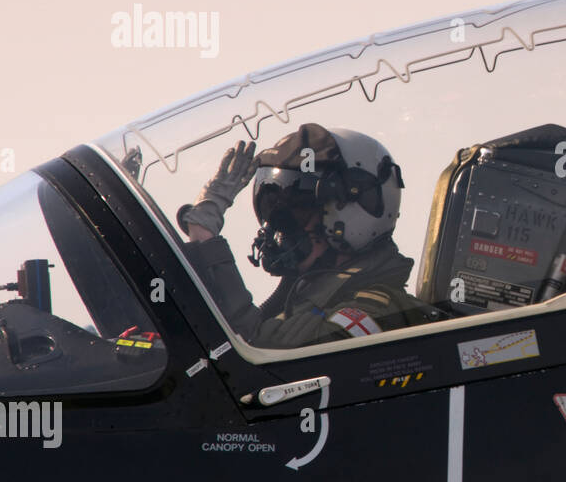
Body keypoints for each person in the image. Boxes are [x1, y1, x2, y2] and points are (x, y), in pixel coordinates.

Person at [178, 123, 446, 348]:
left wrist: (205, 238)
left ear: (353, 216)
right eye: (277, 214)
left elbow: (258, 352)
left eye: (299, 214)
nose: (282, 230)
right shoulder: (306, 298)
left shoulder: (374, 312)